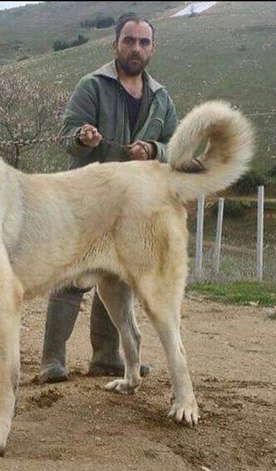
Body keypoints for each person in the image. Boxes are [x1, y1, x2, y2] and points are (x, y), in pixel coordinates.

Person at [40, 13, 179, 383]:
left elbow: (176, 149)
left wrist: (153, 149)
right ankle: (52, 360)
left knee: (117, 279)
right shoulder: (92, 85)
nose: (136, 48)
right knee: (70, 276)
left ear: (152, 48)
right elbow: (66, 134)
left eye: (143, 42)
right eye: (129, 40)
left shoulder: (161, 97)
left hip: (132, 208)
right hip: (86, 200)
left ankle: (106, 357)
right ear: (114, 44)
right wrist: (81, 136)